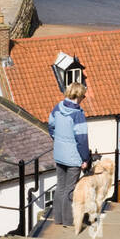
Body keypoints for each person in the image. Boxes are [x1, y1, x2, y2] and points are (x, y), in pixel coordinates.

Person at [48, 82, 91, 229]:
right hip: (73, 157)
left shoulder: (58, 107)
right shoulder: (78, 115)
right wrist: (85, 159)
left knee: (60, 186)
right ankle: (68, 220)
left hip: (59, 154)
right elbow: (82, 139)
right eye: (83, 96)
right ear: (78, 96)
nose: (83, 98)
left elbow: (51, 125)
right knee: (70, 189)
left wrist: (57, 140)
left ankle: (57, 218)